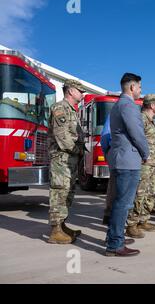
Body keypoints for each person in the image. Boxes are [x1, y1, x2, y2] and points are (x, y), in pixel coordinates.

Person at [105, 73, 149, 257]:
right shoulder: (128, 106)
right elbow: (137, 133)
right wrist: (146, 153)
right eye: (139, 87)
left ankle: (114, 236)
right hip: (128, 161)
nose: (140, 90)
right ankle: (116, 244)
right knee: (123, 204)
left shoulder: (118, 105)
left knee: (118, 202)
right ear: (132, 87)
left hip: (119, 158)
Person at [47, 79, 86, 244]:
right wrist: (78, 150)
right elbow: (62, 136)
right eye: (80, 91)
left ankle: (62, 226)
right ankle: (55, 231)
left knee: (67, 193)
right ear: (70, 91)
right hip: (62, 158)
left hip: (70, 159)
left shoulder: (71, 110)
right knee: (59, 192)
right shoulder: (59, 108)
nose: (82, 94)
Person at [125, 94, 155, 238]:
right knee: (138, 194)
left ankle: (143, 219)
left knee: (149, 193)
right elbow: (135, 140)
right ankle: (131, 224)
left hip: (152, 165)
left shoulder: (151, 121)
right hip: (143, 164)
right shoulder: (141, 119)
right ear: (152, 105)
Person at [100, 114, 115, 225]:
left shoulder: (113, 114)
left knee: (113, 184)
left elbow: (105, 137)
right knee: (115, 185)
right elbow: (105, 136)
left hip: (113, 151)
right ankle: (111, 216)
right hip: (118, 153)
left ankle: (108, 214)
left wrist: (106, 152)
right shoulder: (113, 115)